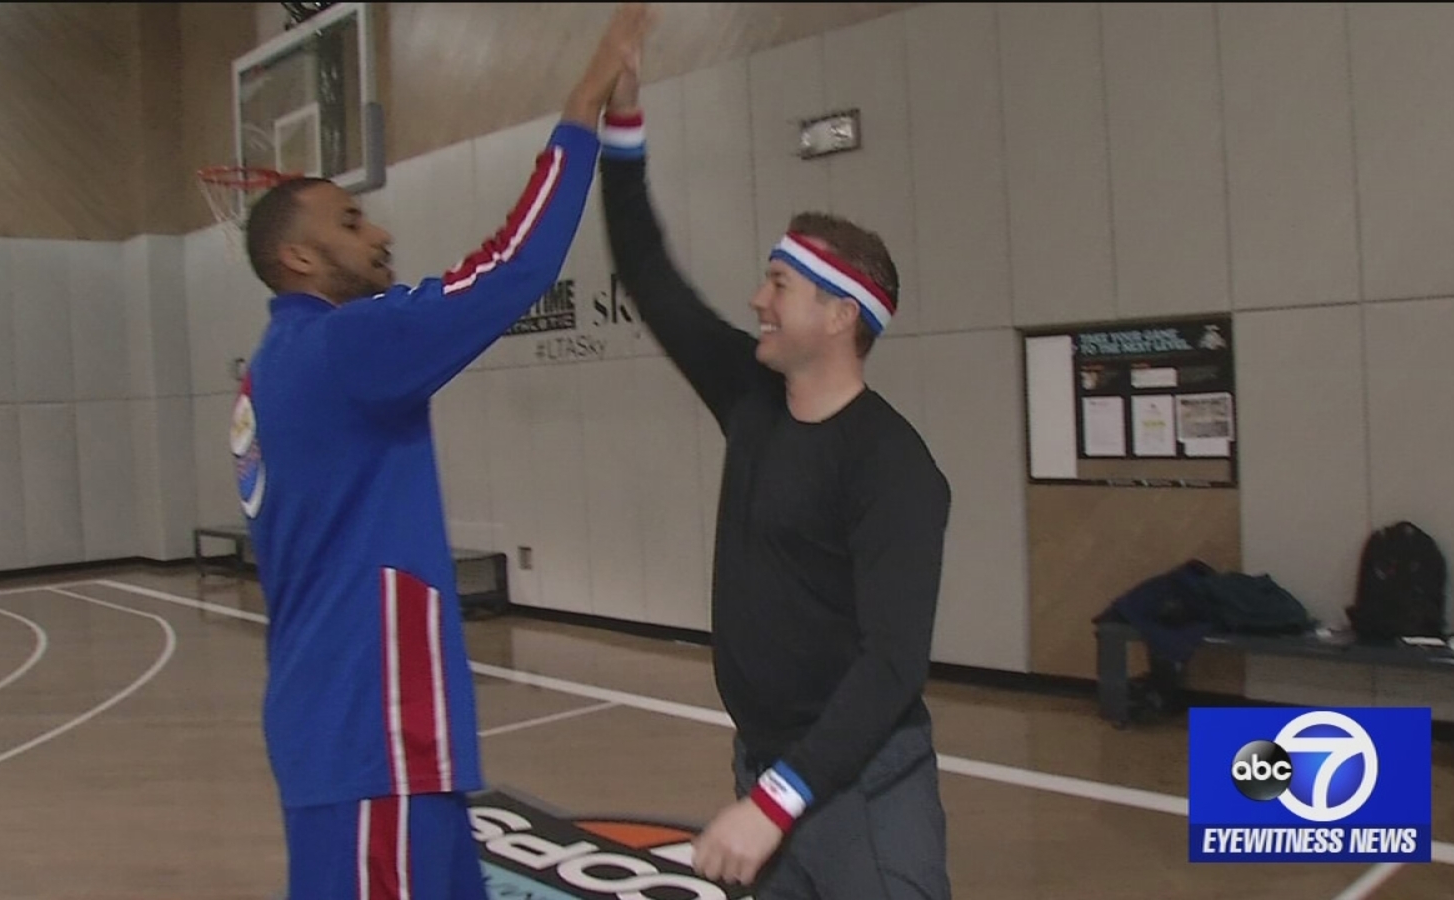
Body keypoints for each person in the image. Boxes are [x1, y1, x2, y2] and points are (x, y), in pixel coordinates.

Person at [229, 6, 652, 898]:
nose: (379, 234)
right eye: (352, 222)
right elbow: (512, 270)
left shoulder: (276, 368)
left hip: (364, 737)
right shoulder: (341, 350)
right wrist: (581, 104)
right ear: (300, 256)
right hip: (369, 739)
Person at [598, 66, 954, 898]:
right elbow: (651, 276)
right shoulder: (750, 396)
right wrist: (623, 127)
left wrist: (777, 799)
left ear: (838, 315)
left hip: (860, 784)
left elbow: (893, 664)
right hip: (763, 766)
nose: (757, 298)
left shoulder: (892, 466)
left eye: (780, 285)